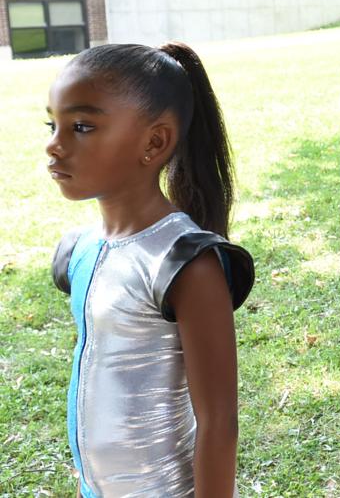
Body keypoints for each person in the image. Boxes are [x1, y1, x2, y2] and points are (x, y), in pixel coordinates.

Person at [47, 42, 255, 496]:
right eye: (52, 124)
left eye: (81, 127)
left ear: (155, 142)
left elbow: (218, 421)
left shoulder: (184, 262)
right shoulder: (81, 250)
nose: (54, 145)